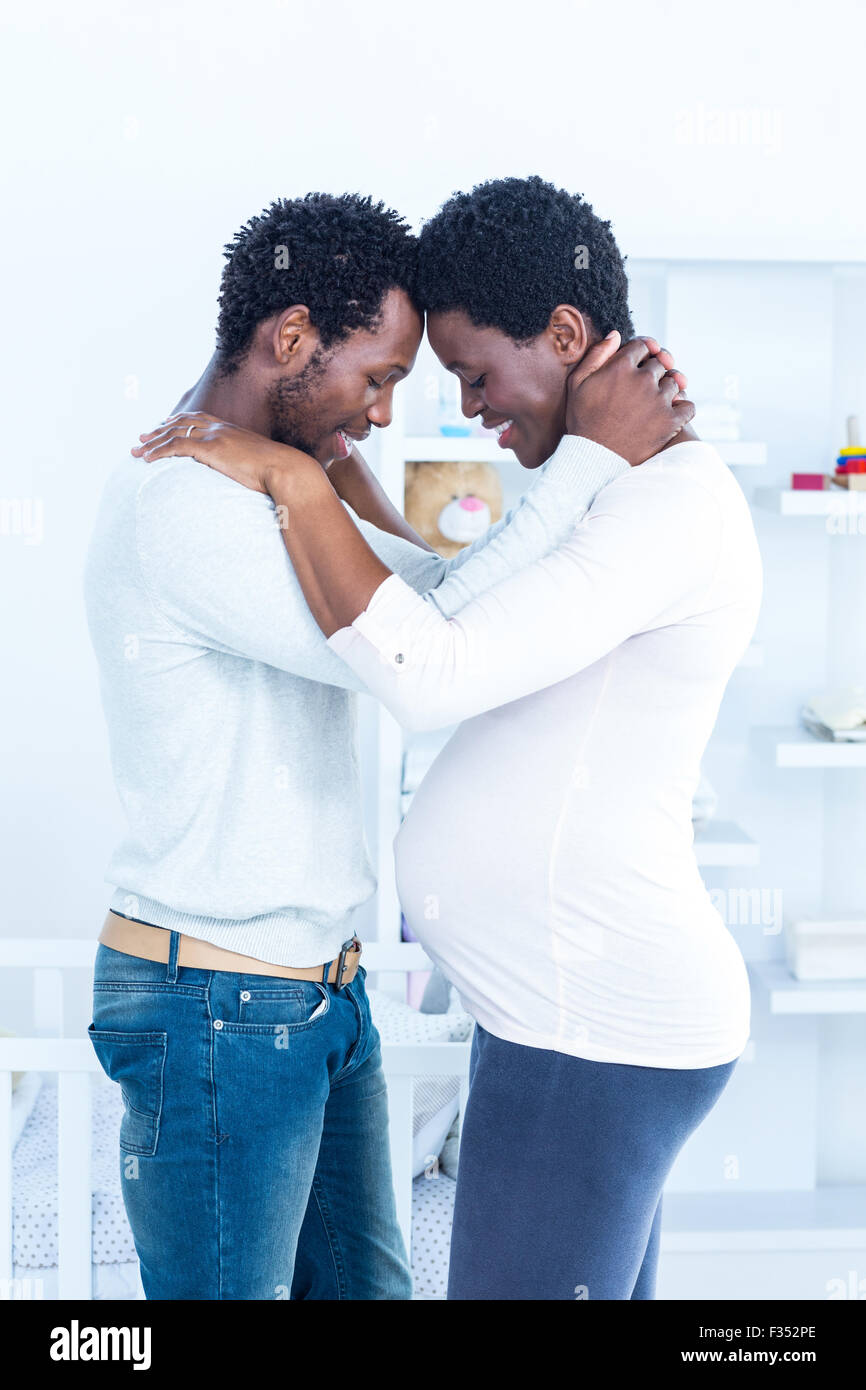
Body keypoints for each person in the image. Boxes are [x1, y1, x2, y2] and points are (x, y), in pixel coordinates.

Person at [132, 176, 760, 1302]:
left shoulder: (656, 500)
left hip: (597, 1026)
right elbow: (449, 602)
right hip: (563, 1022)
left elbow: (427, 663)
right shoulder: (627, 492)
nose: (465, 407)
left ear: (564, 335)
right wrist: (337, 483)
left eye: (471, 374)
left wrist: (287, 474)